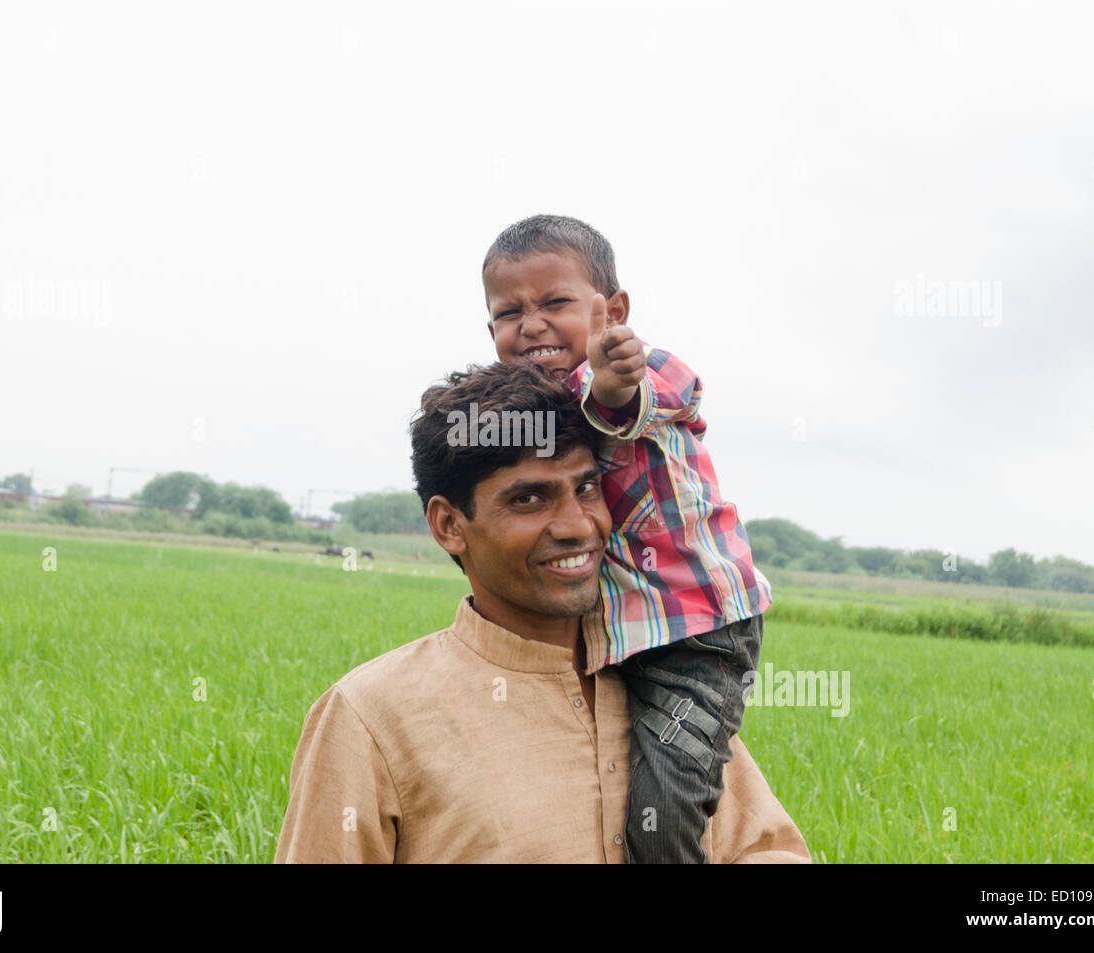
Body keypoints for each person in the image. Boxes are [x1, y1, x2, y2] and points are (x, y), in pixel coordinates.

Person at [274, 362, 807, 863]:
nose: (577, 524)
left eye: (586, 487)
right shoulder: (370, 716)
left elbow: (767, 846)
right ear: (448, 526)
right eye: (530, 499)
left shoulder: (664, 677)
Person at [481, 215, 772, 863]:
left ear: (612, 310)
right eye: (509, 312)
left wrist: (613, 384)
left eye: (554, 302)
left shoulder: (642, 367)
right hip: (611, 639)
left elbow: (626, 399)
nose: (530, 324)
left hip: (696, 638)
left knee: (660, 817)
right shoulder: (536, 406)